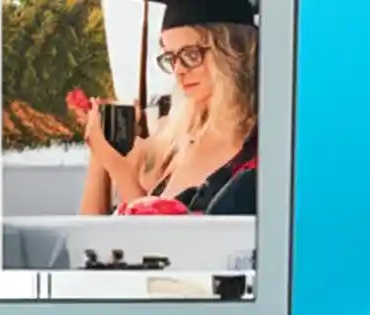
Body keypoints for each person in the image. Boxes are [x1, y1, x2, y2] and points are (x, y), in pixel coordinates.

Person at [78, 0, 258, 216]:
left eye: (191, 55)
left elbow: (160, 237)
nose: (179, 70)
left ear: (233, 53)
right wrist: (100, 155)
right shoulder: (174, 140)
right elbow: (90, 237)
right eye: (171, 58)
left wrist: (119, 169)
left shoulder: (264, 149)